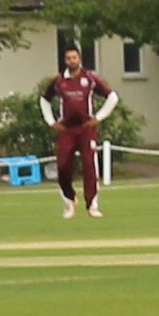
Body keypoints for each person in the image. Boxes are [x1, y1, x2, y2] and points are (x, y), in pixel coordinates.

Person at [43, 47, 114, 219]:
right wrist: (51, 121)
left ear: (79, 59)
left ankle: (92, 205)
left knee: (89, 166)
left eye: (74, 57)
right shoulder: (59, 81)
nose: (71, 61)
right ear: (65, 60)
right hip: (66, 130)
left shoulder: (89, 79)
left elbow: (112, 97)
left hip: (86, 129)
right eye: (68, 58)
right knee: (63, 166)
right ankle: (69, 201)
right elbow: (44, 99)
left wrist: (99, 117)